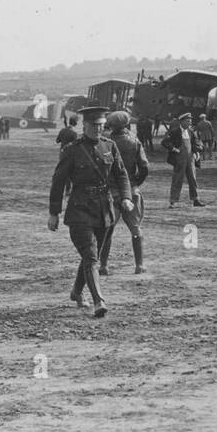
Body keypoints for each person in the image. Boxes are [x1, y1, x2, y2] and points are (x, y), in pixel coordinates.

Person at [47, 106, 128, 317]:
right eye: (93, 125)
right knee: (91, 257)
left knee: (92, 255)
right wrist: (54, 213)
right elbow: (58, 181)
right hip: (80, 210)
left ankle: (76, 292)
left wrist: (126, 197)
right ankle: (99, 301)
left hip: (105, 211)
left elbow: (121, 174)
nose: (97, 129)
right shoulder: (72, 150)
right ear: (84, 126)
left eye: (101, 126)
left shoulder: (109, 146)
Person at [99, 111, 147, 276]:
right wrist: (135, 183)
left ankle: (103, 265)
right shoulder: (134, 141)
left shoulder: (105, 142)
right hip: (131, 190)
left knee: (107, 229)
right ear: (126, 124)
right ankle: (139, 265)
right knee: (136, 229)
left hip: (111, 192)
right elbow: (144, 167)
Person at [164, 112, 206, 207]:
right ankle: (173, 201)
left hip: (190, 159)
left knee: (193, 179)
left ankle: (195, 199)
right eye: (187, 121)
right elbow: (165, 142)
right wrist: (173, 149)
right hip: (179, 159)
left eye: (190, 121)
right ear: (182, 122)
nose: (189, 123)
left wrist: (196, 152)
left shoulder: (190, 132)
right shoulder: (175, 132)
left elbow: (195, 143)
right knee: (177, 179)